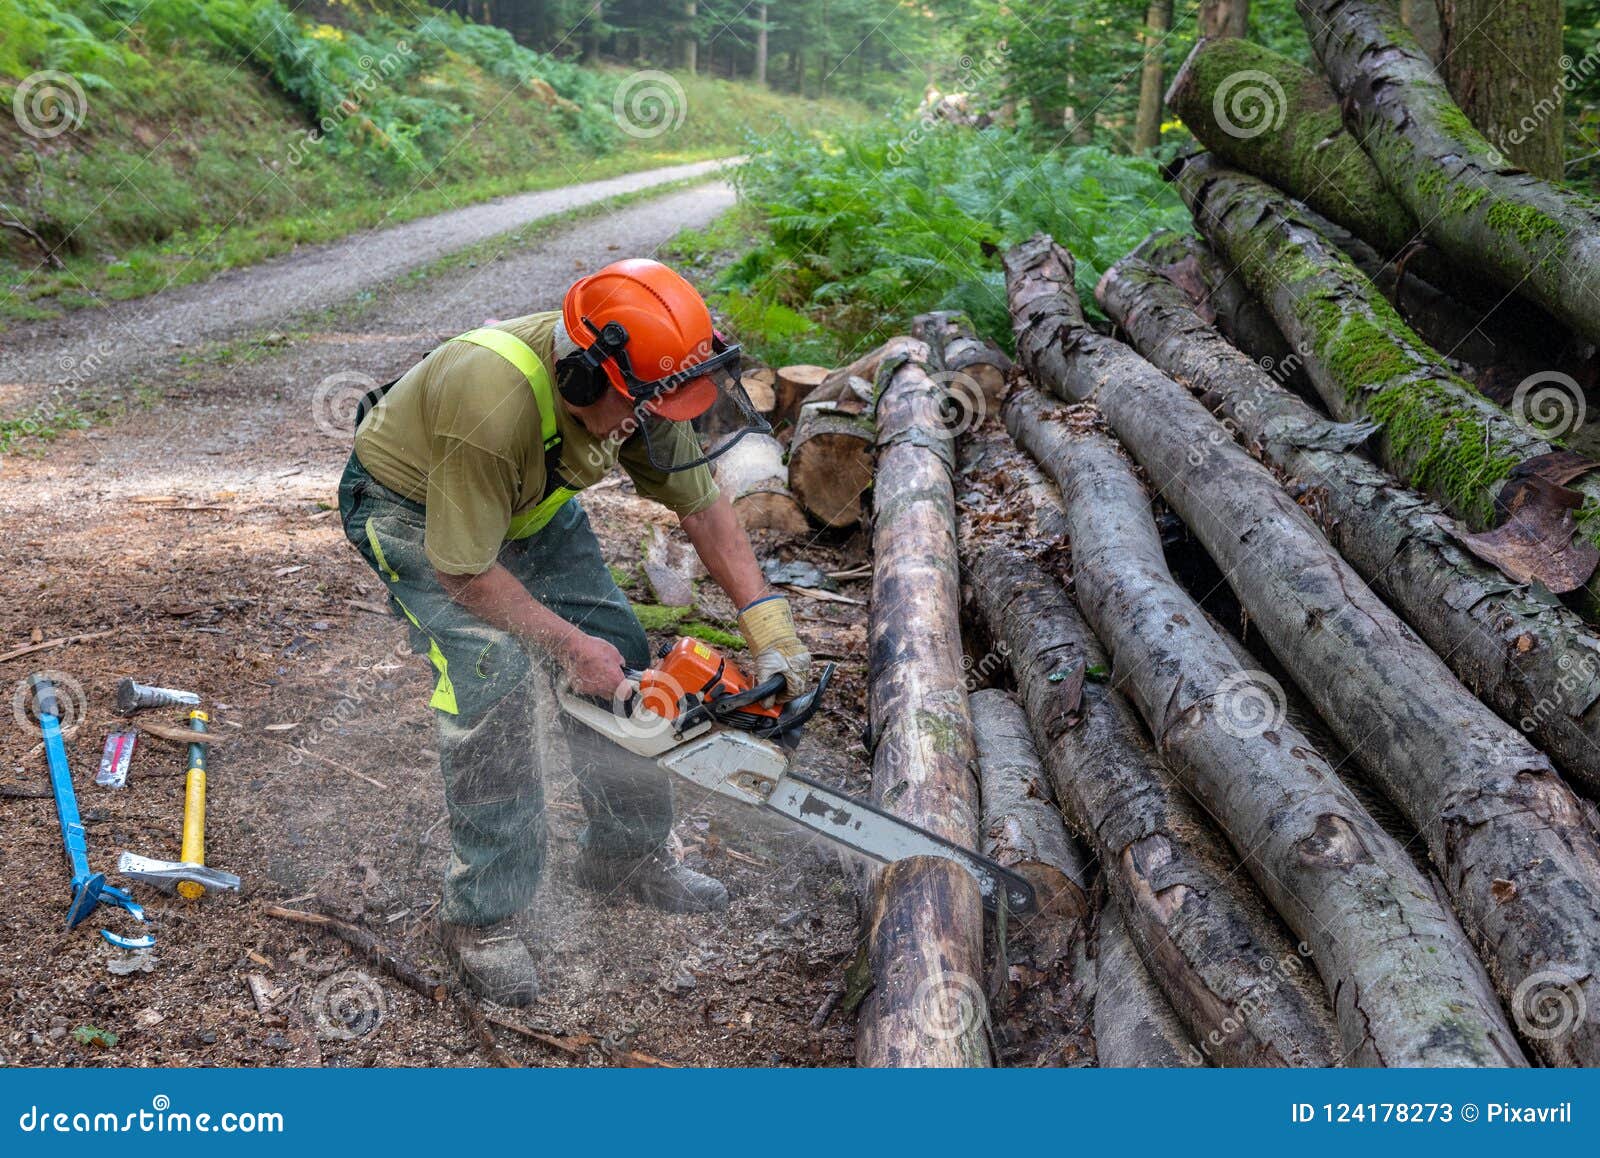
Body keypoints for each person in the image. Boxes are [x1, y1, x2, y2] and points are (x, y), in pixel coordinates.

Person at [337, 258, 811, 1006]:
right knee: (490, 672)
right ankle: (481, 917)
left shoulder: (642, 387)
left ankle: (627, 859)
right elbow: (463, 569)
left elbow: (704, 506)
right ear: (586, 380)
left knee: (617, 649)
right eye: (651, 408)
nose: (660, 421)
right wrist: (562, 644)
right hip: (415, 509)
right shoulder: (490, 402)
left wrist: (771, 625)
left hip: (529, 501)